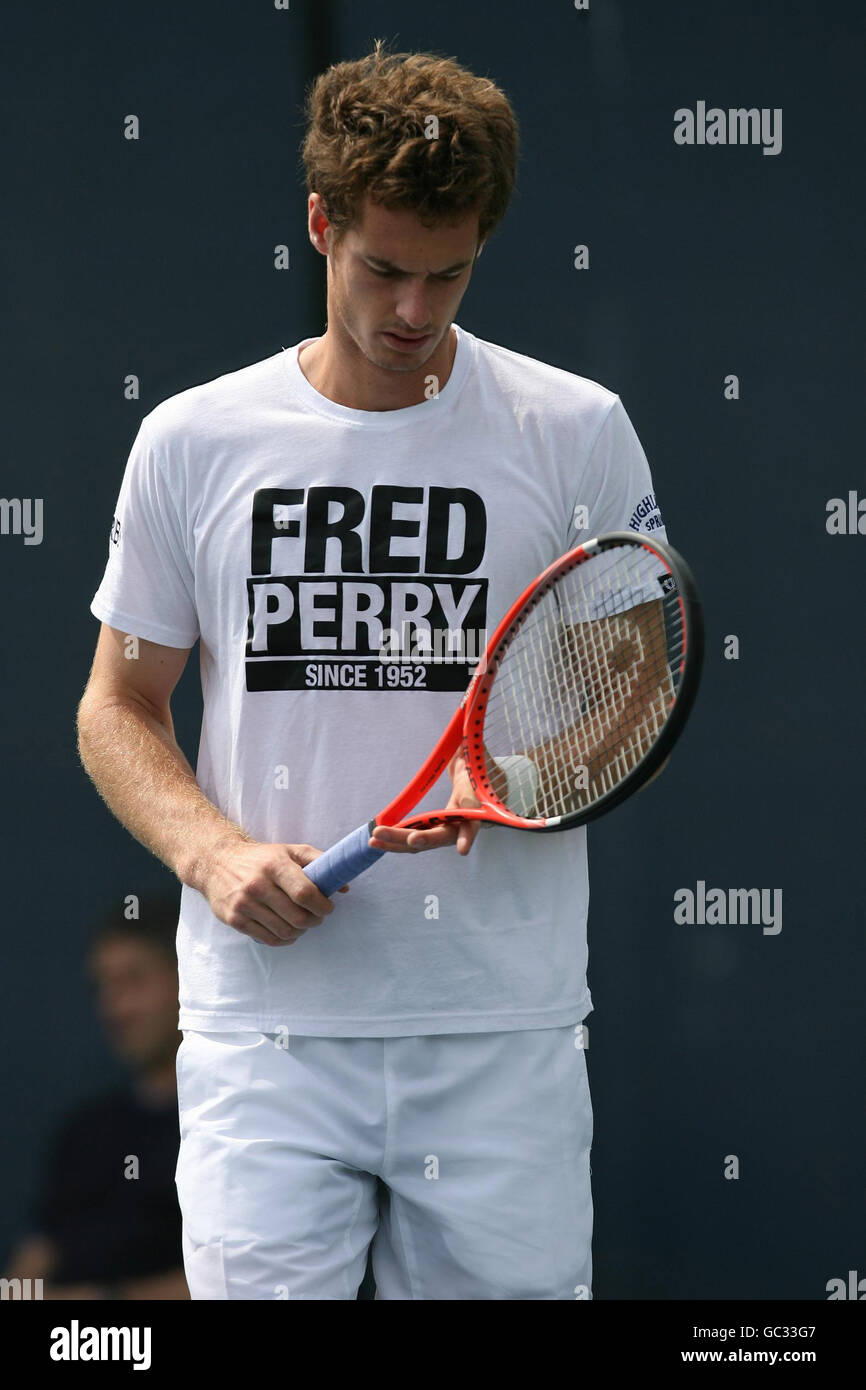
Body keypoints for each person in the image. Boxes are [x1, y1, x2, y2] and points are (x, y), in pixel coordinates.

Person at [77, 41, 669, 1300]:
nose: (413, 313)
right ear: (320, 223)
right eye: (383, 269)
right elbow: (117, 707)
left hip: (496, 1034)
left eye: (447, 276)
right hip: (265, 1037)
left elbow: (637, 676)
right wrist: (213, 853)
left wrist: (513, 774)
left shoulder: (575, 430)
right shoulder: (190, 441)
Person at [4, 900, 189, 1299]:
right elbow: (24, 1275)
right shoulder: (87, 1130)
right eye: (104, 985)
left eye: (134, 980)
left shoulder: (226, 1127)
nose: (114, 1007)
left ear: (187, 977)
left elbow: (238, 1282)